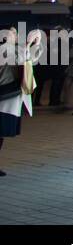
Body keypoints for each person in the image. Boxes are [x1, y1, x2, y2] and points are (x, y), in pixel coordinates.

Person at [0, 27, 36, 177]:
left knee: (1, 135)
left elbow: (30, 61)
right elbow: (22, 60)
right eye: (12, 33)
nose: (15, 36)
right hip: (4, 98)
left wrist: (33, 44)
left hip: (8, 99)